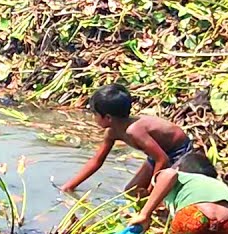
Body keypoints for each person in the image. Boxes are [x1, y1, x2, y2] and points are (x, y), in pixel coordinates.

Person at [61, 84, 193, 195]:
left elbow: (162, 160)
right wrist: (70, 186)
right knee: (131, 192)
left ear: (108, 118)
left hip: (179, 152)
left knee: (159, 199)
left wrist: (151, 190)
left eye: (95, 114)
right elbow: (96, 161)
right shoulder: (112, 133)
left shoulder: (134, 131)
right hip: (157, 155)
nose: (93, 117)